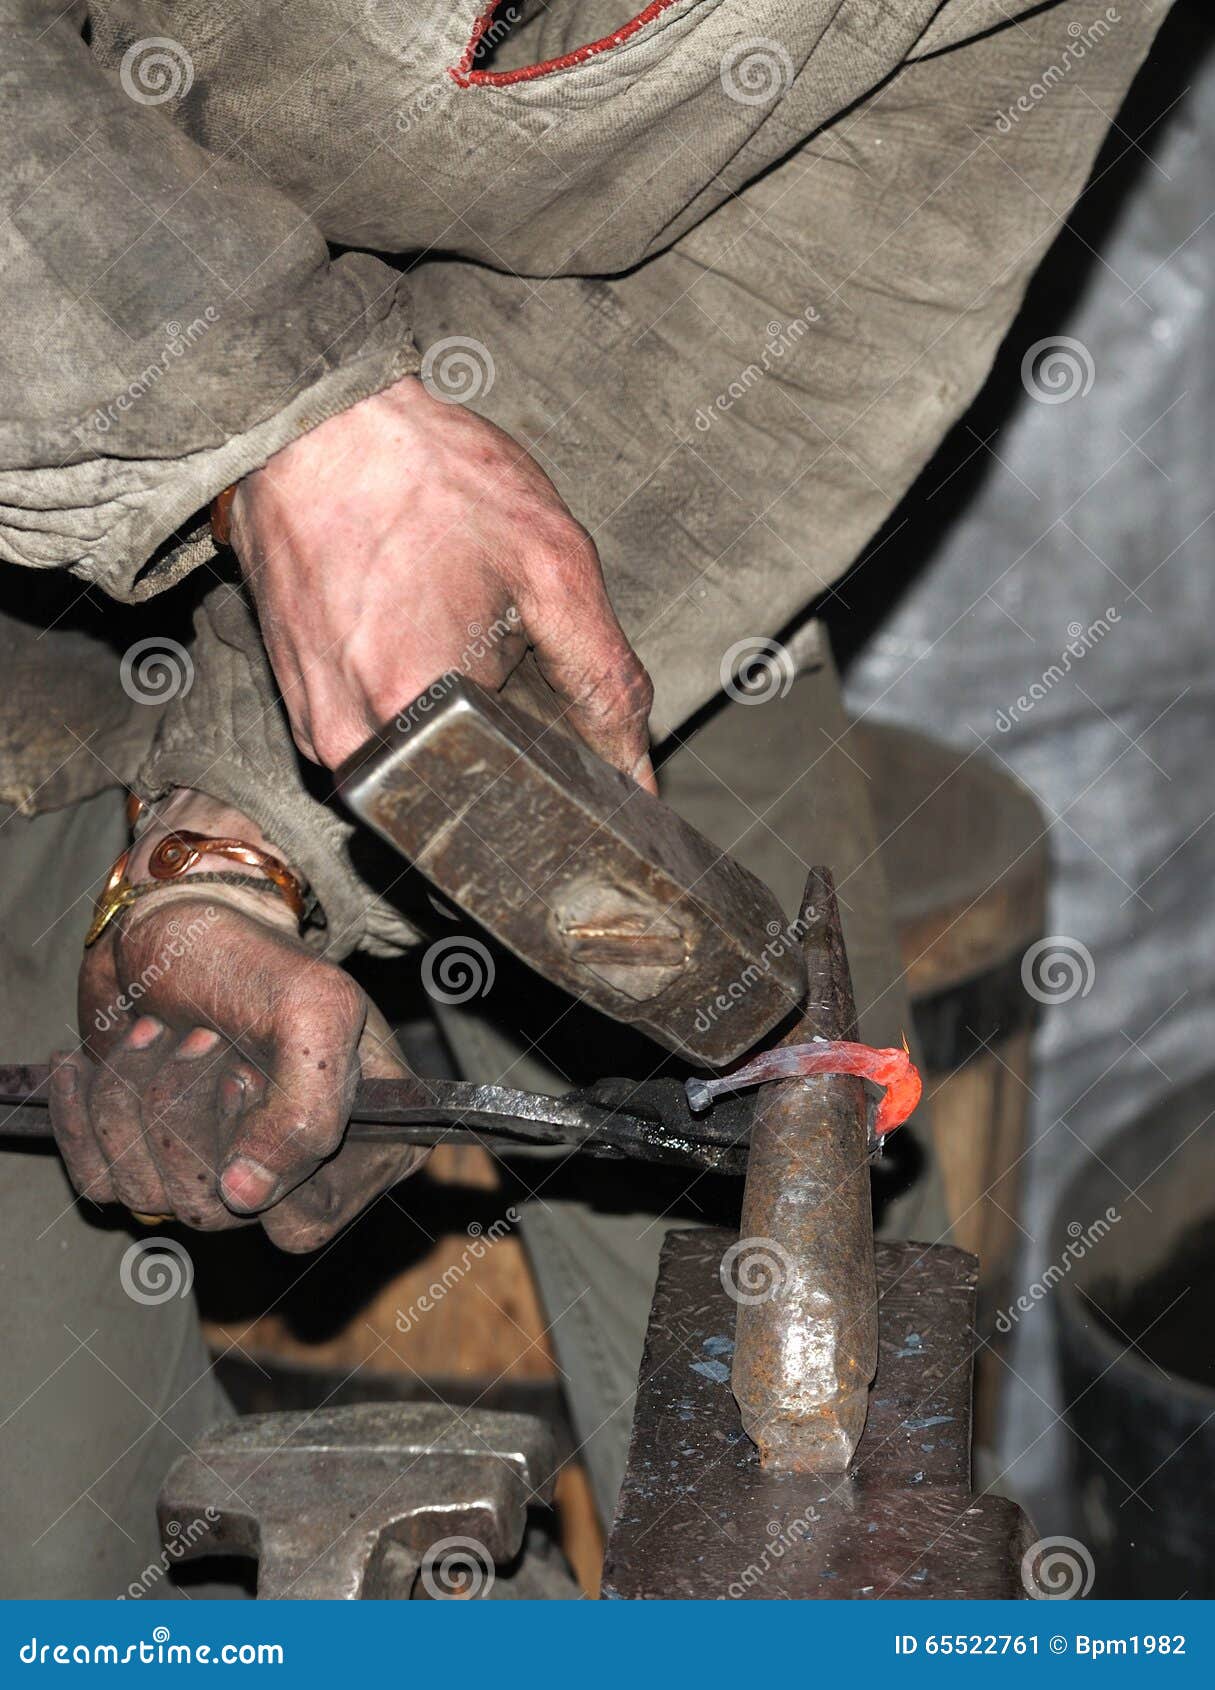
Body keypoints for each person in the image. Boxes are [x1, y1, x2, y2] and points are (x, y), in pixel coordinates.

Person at [1, 0, 1172, 1594]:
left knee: (833, 1533)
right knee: (52, 1539)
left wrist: (241, 842)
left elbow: (799, 318)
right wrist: (270, 427)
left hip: (590, 468)